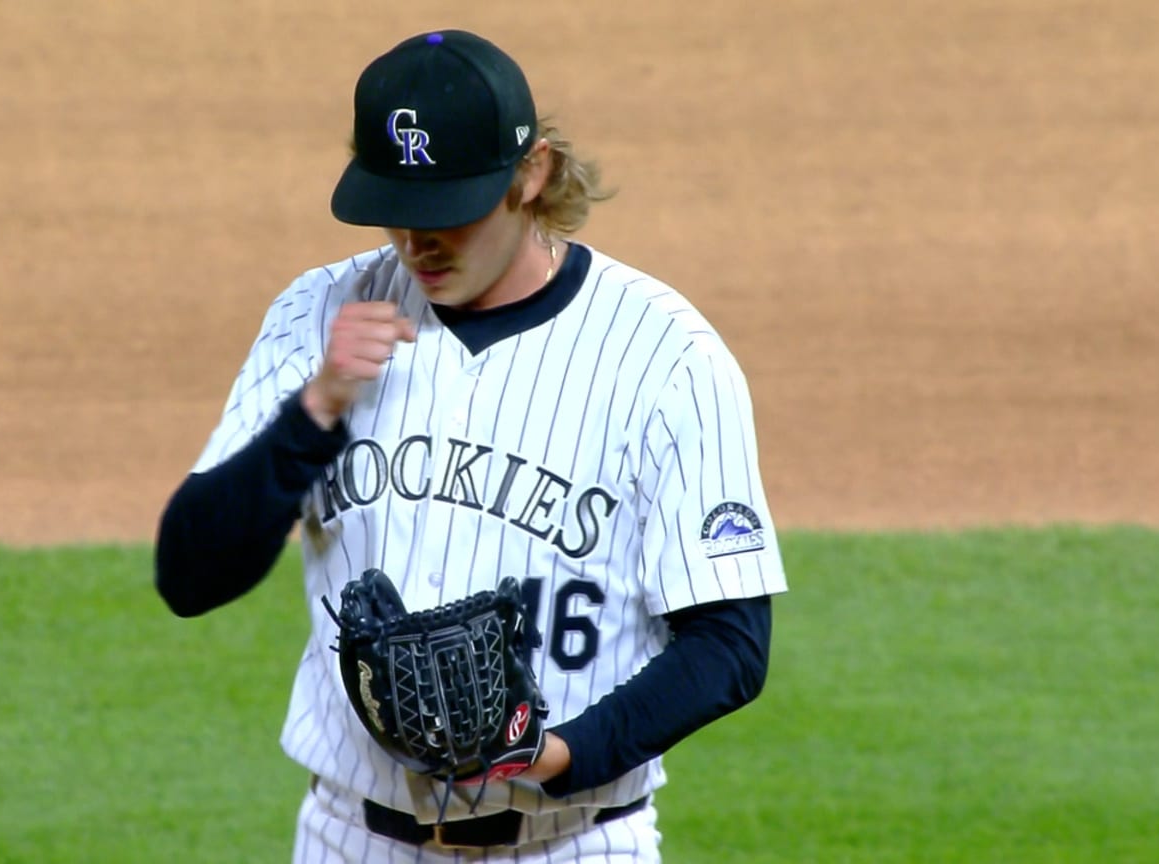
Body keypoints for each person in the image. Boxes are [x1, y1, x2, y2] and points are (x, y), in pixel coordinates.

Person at [154, 28, 788, 863]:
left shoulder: (666, 357)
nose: (419, 241)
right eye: (399, 209)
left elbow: (730, 647)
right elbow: (190, 578)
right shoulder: (318, 317)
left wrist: (558, 756)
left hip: (574, 843)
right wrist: (315, 409)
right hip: (355, 839)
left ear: (534, 173)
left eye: (449, 210)